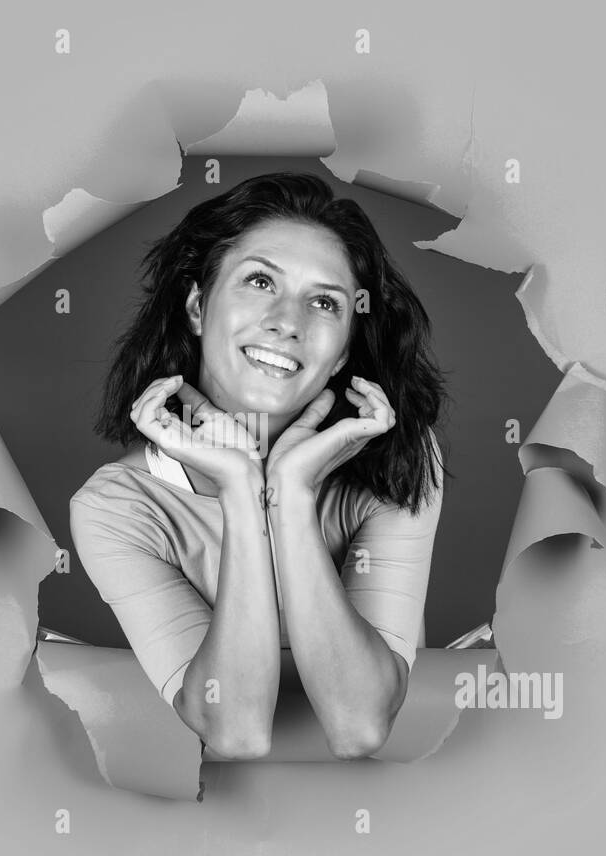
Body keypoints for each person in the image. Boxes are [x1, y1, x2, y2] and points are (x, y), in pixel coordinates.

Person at [70, 170, 450, 760]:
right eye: (259, 281)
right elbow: (236, 731)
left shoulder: (400, 457)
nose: (288, 322)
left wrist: (291, 493)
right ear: (198, 306)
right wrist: (242, 492)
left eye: (324, 301)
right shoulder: (116, 509)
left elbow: (361, 724)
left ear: (344, 349)